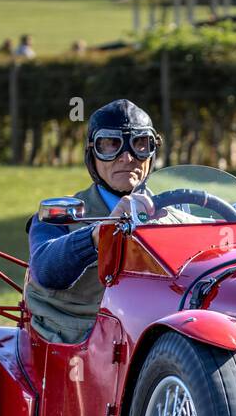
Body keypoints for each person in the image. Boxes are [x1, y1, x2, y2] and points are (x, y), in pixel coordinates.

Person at [24, 100, 193, 344]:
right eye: (111, 145)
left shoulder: (173, 210)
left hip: (162, 337)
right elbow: (45, 269)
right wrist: (98, 234)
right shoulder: (61, 212)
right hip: (82, 341)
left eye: (139, 144)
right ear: (93, 154)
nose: (127, 157)